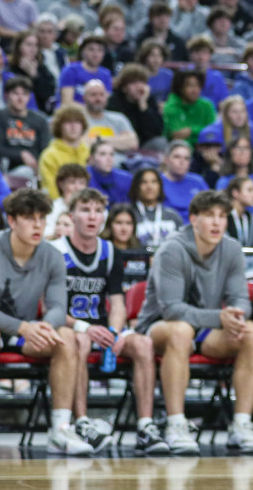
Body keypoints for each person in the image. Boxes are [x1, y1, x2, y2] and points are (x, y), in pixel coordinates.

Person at [133, 190, 253, 455]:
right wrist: (219, 317)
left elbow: (241, 298)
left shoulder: (231, 248)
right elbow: (171, 310)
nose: (217, 223)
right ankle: (176, 424)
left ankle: (241, 424)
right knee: (181, 331)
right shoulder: (172, 249)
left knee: (251, 332)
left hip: (205, 328)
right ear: (193, 219)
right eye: (209, 216)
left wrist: (236, 314)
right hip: (159, 327)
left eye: (222, 216)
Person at [0, 188, 92, 457]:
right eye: (29, 218)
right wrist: (24, 327)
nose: (38, 225)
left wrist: (46, 325)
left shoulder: (53, 255)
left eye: (42, 218)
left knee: (66, 338)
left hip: (27, 329)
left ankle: (60, 429)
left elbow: (58, 306)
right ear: (11, 221)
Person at [52, 189, 167, 454]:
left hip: (101, 328)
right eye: (85, 210)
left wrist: (114, 332)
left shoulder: (111, 252)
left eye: (97, 210)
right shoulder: (55, 251)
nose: (92, 217)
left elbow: (117, 302)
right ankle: (81, 422)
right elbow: (51, 307)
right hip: (70, 328)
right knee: (79, 341)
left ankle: (145, 426)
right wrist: (85, 328)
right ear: (72, 216)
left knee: (142, 344)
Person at [0, 76, 50, 179]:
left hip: (37, 168)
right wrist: (21, 154)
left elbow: (45, 149)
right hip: (9, 168)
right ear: (6, 96)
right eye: (15, 93)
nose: (20, 99)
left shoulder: (40, 119)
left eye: (24, 94)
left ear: (29, 97)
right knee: (26, 172)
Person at [38, 104, 91, 201]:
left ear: (83, 126)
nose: (73, 126)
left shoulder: (89, 151)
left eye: (77, 122)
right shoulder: (50, 155)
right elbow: (50, 191)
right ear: (59, 126)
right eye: (68, 122)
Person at [129, 167, 182, 248]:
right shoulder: (129, 215)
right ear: (136, 186)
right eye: (144, 182)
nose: (149, 186)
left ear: (160, 186)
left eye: (154, 182)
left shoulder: (173, 216)